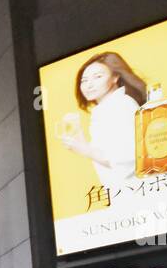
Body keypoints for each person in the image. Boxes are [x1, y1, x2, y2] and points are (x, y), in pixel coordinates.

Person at [58, 51, 147, 194]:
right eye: (84, 80)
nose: (89, 85)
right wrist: (80, 140)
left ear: (115, 77)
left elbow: (129, 159)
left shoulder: (121, 105)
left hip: (142, 191)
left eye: (97, 77)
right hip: (130, 192)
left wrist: (85, 150)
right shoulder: (106, 109)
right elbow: (107, 156)